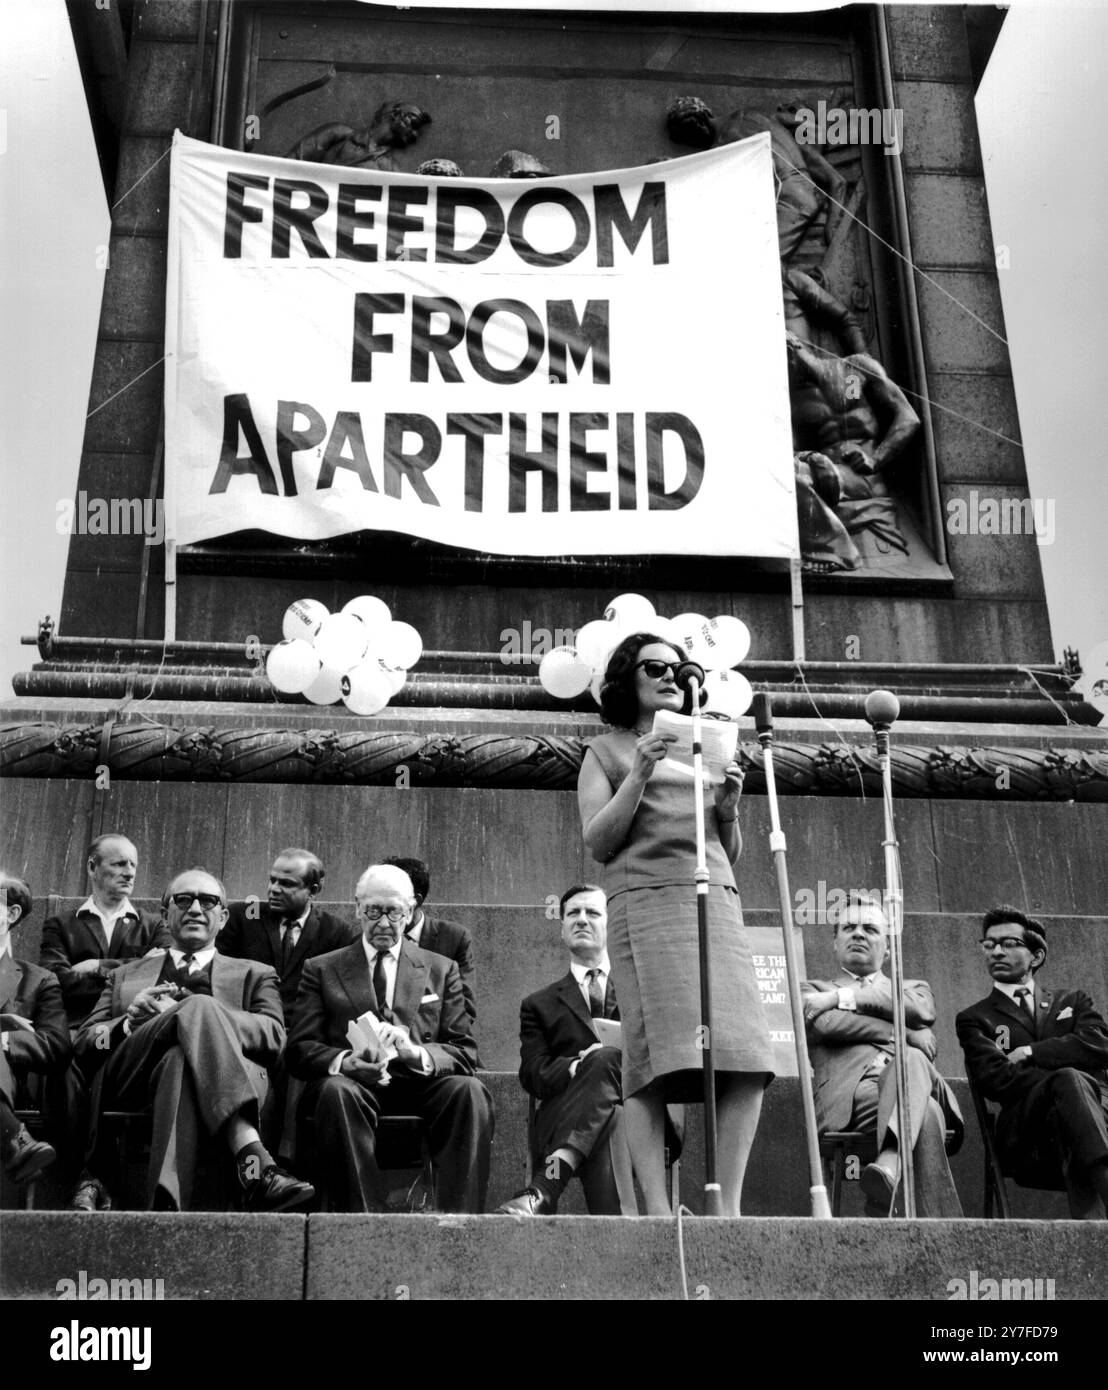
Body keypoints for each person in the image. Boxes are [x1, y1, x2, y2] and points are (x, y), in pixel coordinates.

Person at [577, 633, 774, 1217]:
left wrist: (731, 808)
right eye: (655, 666)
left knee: (746, 1055)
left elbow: (725, 850)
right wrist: (639, 771)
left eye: (681, 666)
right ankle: (659, 1213)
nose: (672, 675)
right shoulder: (608, 750)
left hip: (715, 903)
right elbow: (598, 842)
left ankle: (726, 1207)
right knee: (655, 1057)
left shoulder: (706, 744)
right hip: (647, 905)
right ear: (626, 679)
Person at [75, 868, 313, 1213]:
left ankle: (167, 1207)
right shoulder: (125, 975)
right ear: (165, 912)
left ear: (224, 915)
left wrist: (195, 1015)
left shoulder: (254, 973)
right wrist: (126, 1023)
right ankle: (253, 1159)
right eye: (183, 899)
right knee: (194, 1011)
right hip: (134, 1079)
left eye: (208, 901)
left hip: (230, 1078)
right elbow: (86, 1043)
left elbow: (275, 1036)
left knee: (179, 1059)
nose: (195, 908)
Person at [287, 863, 492, 1213]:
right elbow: (300, 1049)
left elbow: (463, 1050)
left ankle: (461, 1219)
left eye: (394, 912)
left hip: (419, 1083)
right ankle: (365, 1217)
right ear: (357, 908)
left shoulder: (441, 968)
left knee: (469, 1091)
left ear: (411, 910)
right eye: (373, 911)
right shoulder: (321, 968)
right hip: (354, 1085)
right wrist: (343, 1063)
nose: (383, 923)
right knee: (335, 1091)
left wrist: (417, 1053)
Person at [802, 894, 963, 1216]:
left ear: (888, 949)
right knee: (925, 1110)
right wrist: (903, 1034)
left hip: (919, 1083)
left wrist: (841, 996)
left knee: (910, 1064)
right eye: (849, 927)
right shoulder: (812, 990)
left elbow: (919, 1009)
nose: (859, 933)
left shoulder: (914, 987)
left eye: (870, 929)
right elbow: (828, 1024)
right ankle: (932, 1225)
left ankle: (889, 1167)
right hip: (854, 1097)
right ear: (835, 943)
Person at [956, 906, 1108, 1219]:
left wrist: (1030, 1053)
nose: (996, 951)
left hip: (1085, 1122)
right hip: (1027, 1136)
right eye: (989, 944)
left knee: (1071, 1108)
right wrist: (1061, 1074)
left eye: (1009, 944)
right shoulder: (975, 1018)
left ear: (1036, 956)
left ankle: (1093, 1227)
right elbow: (996, 1079)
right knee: (1068, 1080)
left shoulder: (1073, 1002)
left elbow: (1100, 1044)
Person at [499, 884, 629, 1216]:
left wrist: (603, 1061)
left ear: (610, 925)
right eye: (573, 913)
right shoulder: (538, 1004)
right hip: (564, 1116)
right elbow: (532, 1073)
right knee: (610, 1118)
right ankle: (619, 1237)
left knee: (612, 1092)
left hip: (642, 1107)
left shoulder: (641, 991)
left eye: (592, 913)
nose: (581, 920)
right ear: (562, 929)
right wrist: (576, 1067)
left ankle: (545, 1188)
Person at [39, 834, 170, 1028]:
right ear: (92, 868)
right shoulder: (60, 925)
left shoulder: (154, 925)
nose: (129, 873)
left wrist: (96, 965)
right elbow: (56, 982)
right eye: (119, 864)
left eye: (133, 865)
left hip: (135, 1027)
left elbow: (164, 971)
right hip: (78, 1029)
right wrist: (140, 966)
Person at [218, 848, 357, 1025]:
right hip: (246, 1028)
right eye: (272, 880)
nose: (274, 889)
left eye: (286, 883)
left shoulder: (336, 932)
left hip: (303, 1036)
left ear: (312, 891)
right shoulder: (243, 917)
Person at [0, 872, 69, 1185]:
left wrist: (3, 1039)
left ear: (11, 914)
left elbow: (57, 1046)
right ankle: (13, 1138)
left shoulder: (37, 980)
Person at [382, 855, 477, 1025]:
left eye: (391, 898)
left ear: (415, 901)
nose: (381, 906)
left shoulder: (454, 938)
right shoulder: (369, 937)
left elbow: (464, 1011)